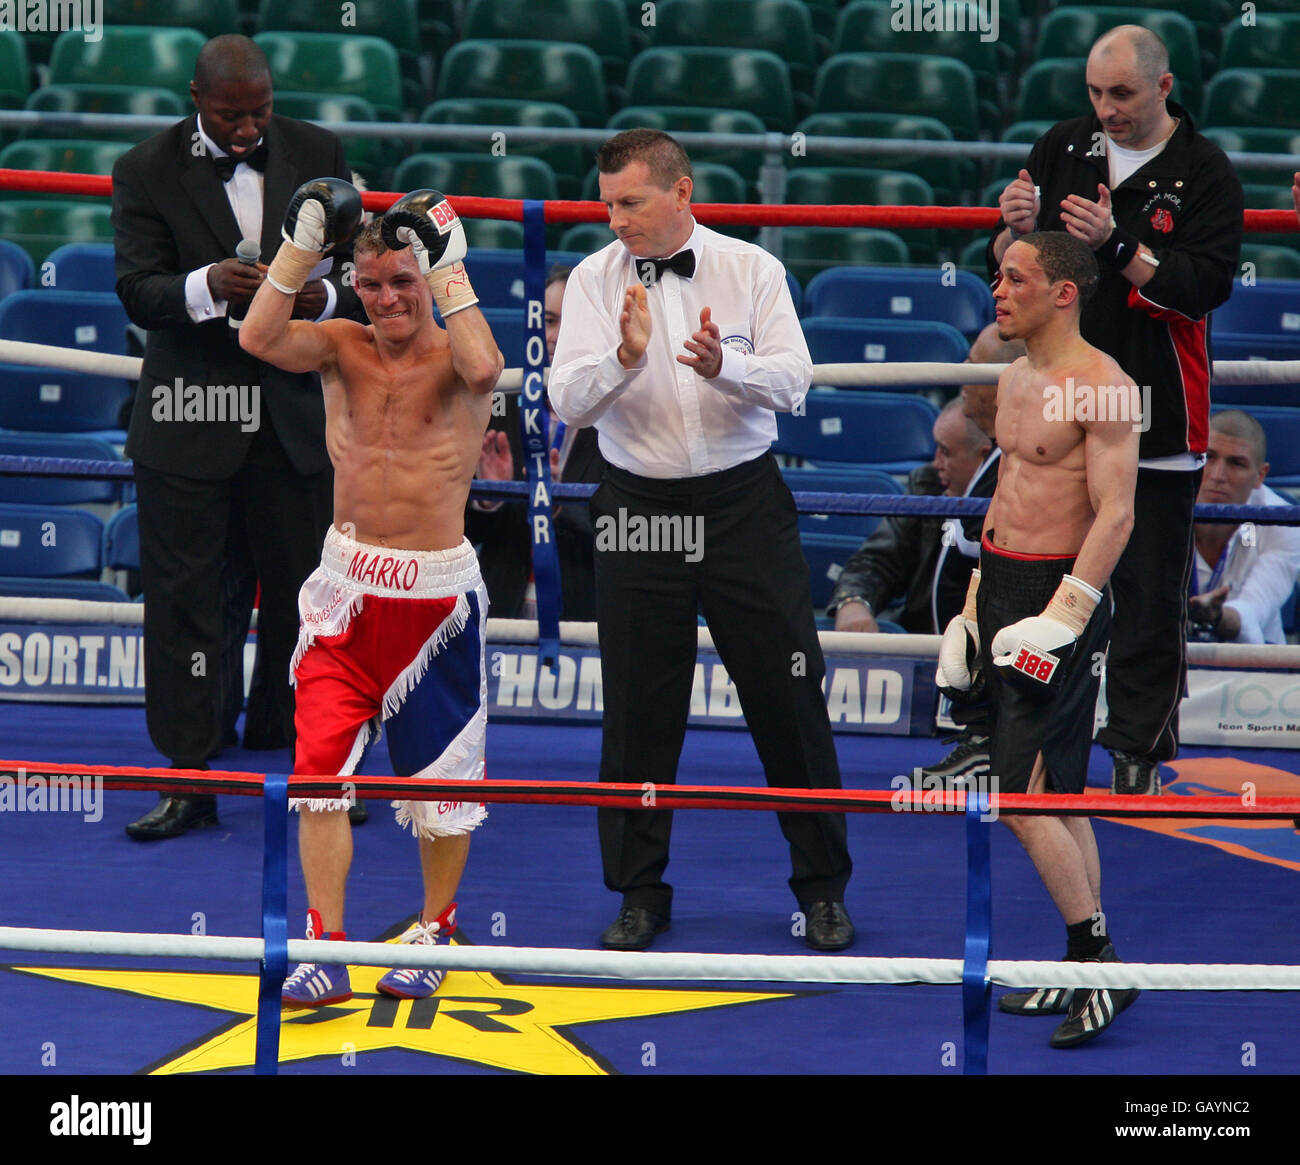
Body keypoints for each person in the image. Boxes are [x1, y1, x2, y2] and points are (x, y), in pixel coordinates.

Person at [549, 129, 854, 953]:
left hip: (742, 505)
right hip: (637, 506)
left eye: (631, 202)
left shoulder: (752, 269)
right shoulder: (590, 279)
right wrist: (622, 355)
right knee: (639, 708)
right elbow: (566, 399)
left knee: (788, 693)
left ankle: (822, 888)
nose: (615, 220)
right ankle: (639, 893)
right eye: (606, 203)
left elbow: (794, 382)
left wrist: (727, 367)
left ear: (682, 193)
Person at [240, 183, 503, 1006]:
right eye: (373, 282)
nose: (387, 298)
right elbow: (255, 335)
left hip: (433, 604)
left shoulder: (458, 357)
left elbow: (486, 367)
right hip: (343, 594)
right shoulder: (340, 345)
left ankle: (436, 930)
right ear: (354, 280)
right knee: (317, 771)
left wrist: (452, 264)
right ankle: (324, 942)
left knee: (441, 787)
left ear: (427, 278)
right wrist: (299, 242)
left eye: (403, 281)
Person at [112, 35, 364, 839]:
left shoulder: (320, 150)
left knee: (313, 603)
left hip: (293, 420)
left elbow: (358, 274)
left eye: (259, 109)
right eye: (231, 114)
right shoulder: (144, 168)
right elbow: (136, 288)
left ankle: (322, 775)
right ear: (197, 97)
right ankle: (188, 778)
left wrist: (315, 297)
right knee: (185, 606)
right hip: (189, 422)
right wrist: (204, 285)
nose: (250, 126)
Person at [992, 25, 1243, 796]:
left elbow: (1206, 288)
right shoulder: (1062, 145)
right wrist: (1007, 226)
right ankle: (1021, 734)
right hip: (1061, 407)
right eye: (1097, 93)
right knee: (1042, 578)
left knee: (1147, 592)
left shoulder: (1204, 171)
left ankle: (1137, 746)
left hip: (1156, 411)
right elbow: (1020, 272)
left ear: (1164, 88)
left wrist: (1118, 243)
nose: (1107, 109)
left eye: (1124, 93)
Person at [942, 230, 1141, 1047]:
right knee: (1056, 790)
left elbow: (1117, 514)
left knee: (1021, 801)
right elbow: (1009, 495)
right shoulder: (1015, 376)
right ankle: (1079, 968)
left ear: (1064, 292)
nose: (998, 288)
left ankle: (1098, 959)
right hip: (1006, 587)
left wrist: (1065, 615)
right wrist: (974, 602)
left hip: (1063, 592)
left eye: (1016, 277)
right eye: (996, 275)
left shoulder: (1107, 387)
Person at [469, 265, 605, 620]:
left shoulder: (621, 417)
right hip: (499, 612)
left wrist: (560, 506)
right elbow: (461, 534)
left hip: (586, 618)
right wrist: (489, 498)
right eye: (548, 320)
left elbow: (629, 533)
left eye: (572, 322)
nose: (557, 336)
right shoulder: (501, 402)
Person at [828, 399, 990, 636]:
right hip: (924, 640)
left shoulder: (1027, 506)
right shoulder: (929, 485)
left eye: (945, 452)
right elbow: (881, 559)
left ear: (984, 460)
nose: (937, 463)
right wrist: (853, 600)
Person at [1189, 411, 1300, 644]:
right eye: (1208, 457)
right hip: (1169, 663)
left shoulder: (1285, 521)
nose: (1218, 476)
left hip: (1252, 668)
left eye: (1236, 463)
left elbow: (1254, 610)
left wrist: (1216, 616)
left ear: (1260, 475)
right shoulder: (1160, 511)